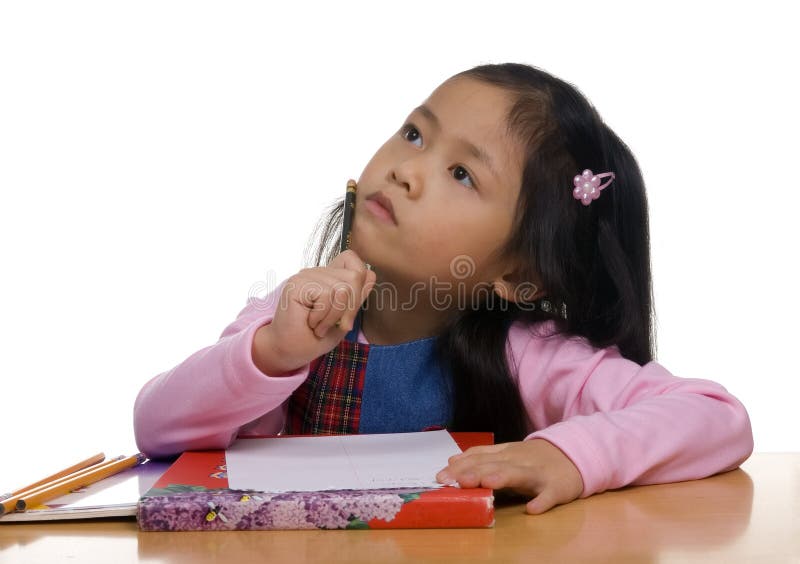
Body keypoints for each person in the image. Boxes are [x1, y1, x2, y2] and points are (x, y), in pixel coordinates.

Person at [133, 63, 753, 514]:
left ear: (518, 275)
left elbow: (714, 417)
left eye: (461, 173)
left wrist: (570, 455)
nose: (406, 170)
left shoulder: (529, 354)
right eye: (413, 134)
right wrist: (270, 353)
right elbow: (155, 428)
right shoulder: (292, 318)